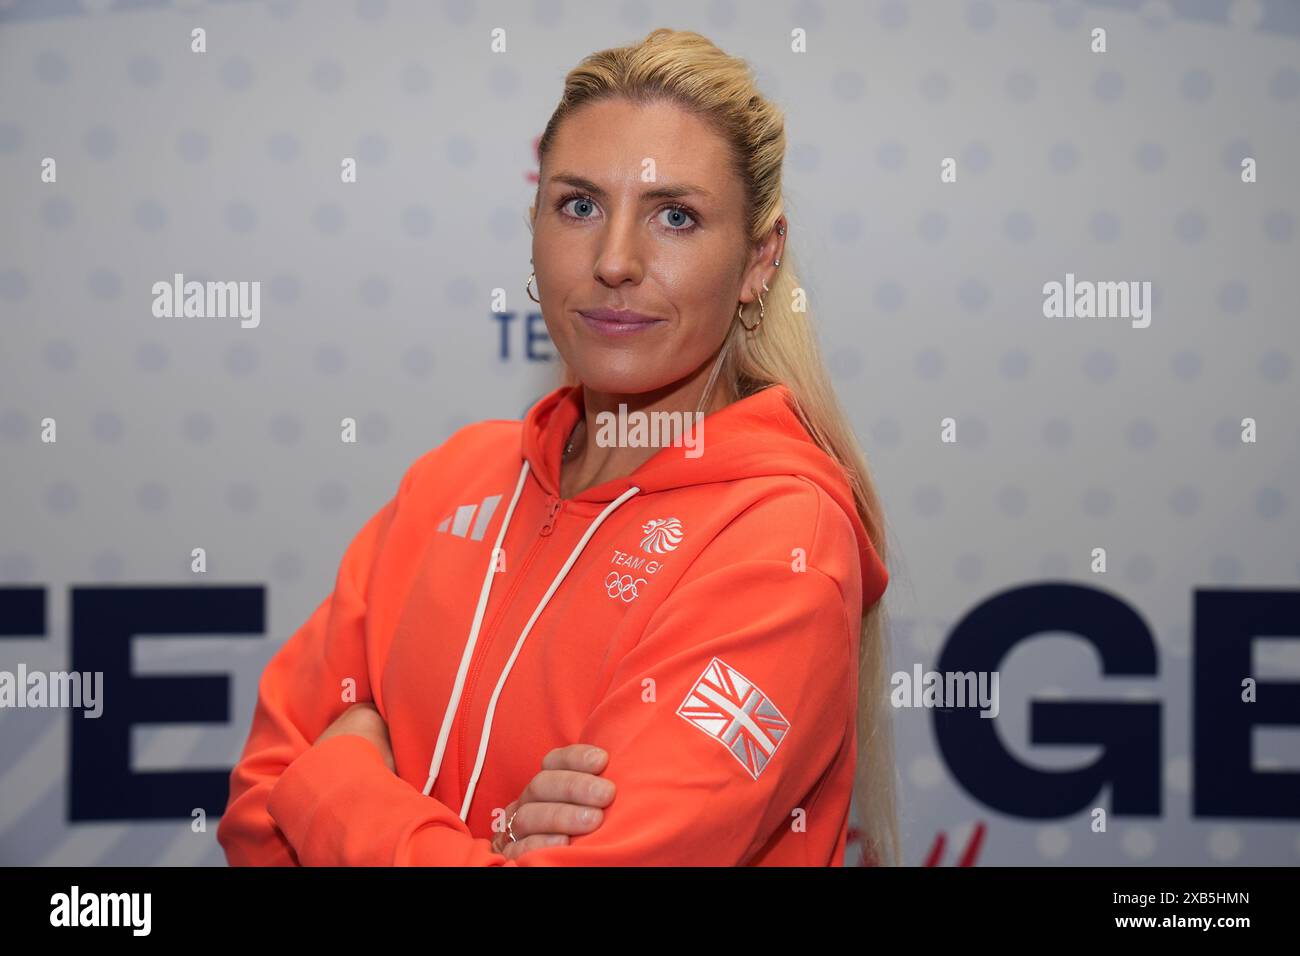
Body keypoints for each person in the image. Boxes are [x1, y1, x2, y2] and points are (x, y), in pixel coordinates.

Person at [216, 27, 899, 867]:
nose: (614, 261)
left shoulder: (782, 541)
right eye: (579, 205)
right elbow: (256, 810)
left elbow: (299, 791)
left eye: (675, 217)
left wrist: (340, 780)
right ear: (535, 223)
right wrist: (493, 846)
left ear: (760, 260)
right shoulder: (453, 480)